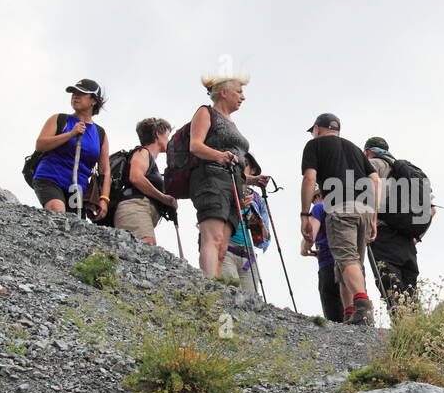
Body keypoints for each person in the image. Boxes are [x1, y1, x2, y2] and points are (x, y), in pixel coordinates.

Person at [300, 113, 379, 325]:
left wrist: (305, 213)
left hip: (339, 208)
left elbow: (310, 178)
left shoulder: (314, 146)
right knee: (348, 263)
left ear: (317, 128)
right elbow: (374, 179)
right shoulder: (354, 148)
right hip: (363, 209)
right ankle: (350, 313)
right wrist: (373, 215)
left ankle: (363, 308)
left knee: (346, 260)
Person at [187, 76, 268, 279]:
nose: (243, 97)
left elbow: (234, 163)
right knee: (212, 238)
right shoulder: (206, 112)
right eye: (239, 91)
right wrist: (219, 155)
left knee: (222, 245)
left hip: (232, 186)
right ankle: (210, 287)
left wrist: (251, 180)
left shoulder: (231, 122)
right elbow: (195, 145)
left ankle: (220, 289)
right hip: (211, 180)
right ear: (224, 92)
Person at [32, 79, 110, 218]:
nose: (75, 96)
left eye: (81, 93)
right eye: (73, 92)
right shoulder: (59, 119)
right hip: (50, 177)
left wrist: (104, 199)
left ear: (93, 101)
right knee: (57, 211)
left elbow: (105, 169)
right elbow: (40, 145)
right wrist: (70, 134)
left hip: (78, 188)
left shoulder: (100, 133)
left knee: (74, 228)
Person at [364, 137, 420, 308]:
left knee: (391, 290)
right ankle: (417, 329)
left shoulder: (373, 165)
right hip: (408, 238)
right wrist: (416, 236)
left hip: (382, 235)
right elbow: (431, 209)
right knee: (410, 295)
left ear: (367, 151)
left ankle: (404, 331)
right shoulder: (407, 171)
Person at [113, 117, 178, 245]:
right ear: (158, 134)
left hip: (138, 210)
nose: (169, 140)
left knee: (143, 251)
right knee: (146, 248)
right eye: (167, 135)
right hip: (135, 208)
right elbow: (136, 178)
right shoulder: (142, 152)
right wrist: (164, 198)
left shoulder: (147, 157)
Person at [223, 153, 270, 293]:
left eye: (246, 163)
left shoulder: (257, 200)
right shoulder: (225, 188)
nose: (241, 166)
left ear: (253, 170)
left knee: (251, 303)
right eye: (239, 163)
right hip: (225, 250)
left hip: (248, 255)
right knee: (229, 296)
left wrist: (259, 225)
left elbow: (263, 239)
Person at [303, 186, 344, 322]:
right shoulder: (344, 207)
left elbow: (311, 236)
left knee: (334, 317)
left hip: (328, 264)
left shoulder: (318, 208)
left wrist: (304, 250)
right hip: (350, 265)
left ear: (316, 197)